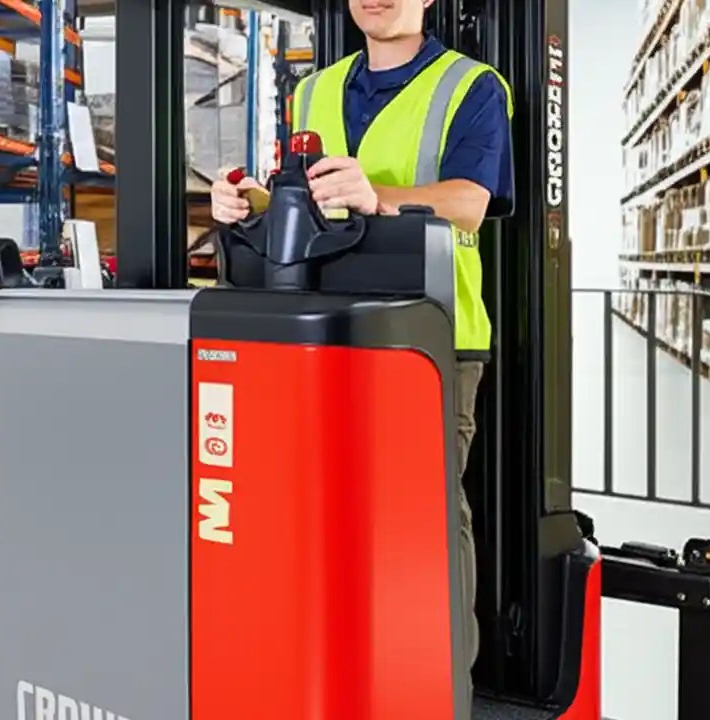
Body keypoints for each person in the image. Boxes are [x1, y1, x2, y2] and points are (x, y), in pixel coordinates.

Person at [212, 0, 513, 689]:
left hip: (430, 335)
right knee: (323, 512)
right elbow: (303, 198)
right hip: (323, 330)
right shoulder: (314, 90)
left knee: (426, 514)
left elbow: (471, 201)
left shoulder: (471, 85)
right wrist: (248, 202)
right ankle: (344, 669)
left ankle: (440, 682)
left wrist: (377, 193)